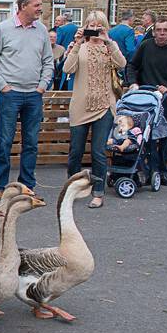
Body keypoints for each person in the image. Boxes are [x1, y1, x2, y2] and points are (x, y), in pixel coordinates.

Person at [0, 0, 53, 200]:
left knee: (31, 142)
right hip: (10, 94)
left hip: (34, 94)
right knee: (5, 141)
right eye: (36, 5)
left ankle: (26, 186)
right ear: (23, 6)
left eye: (40, 4)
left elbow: (48, 62)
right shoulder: (4, 29)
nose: (40, 8)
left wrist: (42, 85)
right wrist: (3, 85)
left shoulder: (41, 30)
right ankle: (0, 186)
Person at [62, 10, 125, 208]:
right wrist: (77, 43)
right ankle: (72, 188)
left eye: (99, 26)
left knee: (98, 151)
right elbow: (67, 69)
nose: (95, 29)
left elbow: (122, 64)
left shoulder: (109, 47)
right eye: (91, 25)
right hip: (81, 105)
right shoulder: (79, 46)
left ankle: (98, 192)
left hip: (104, 105)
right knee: (76, 151)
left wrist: (109, 42)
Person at [125, 17, 167, 185]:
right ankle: (147, 170)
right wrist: (133, 83)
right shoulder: (146, 46)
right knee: (146, 134)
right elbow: (132, 66)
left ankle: (162, 170)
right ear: (153, 32)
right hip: (147, 96)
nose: (161, 34)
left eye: (165, 30)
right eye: (159, 30)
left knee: (166, 134)